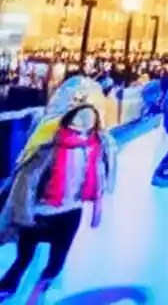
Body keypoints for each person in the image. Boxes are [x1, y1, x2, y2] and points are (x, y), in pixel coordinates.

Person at [0, 78, 117, 301]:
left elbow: (98, 177)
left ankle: (42, 285)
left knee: (57, 258)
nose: (83, 124)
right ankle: (10, 285)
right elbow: (26, 179)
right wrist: (21, 214)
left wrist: (97, 208)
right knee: (24, 257)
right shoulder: (48, 143)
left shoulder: (95, 145)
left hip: (69, 211)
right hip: (40, 212)